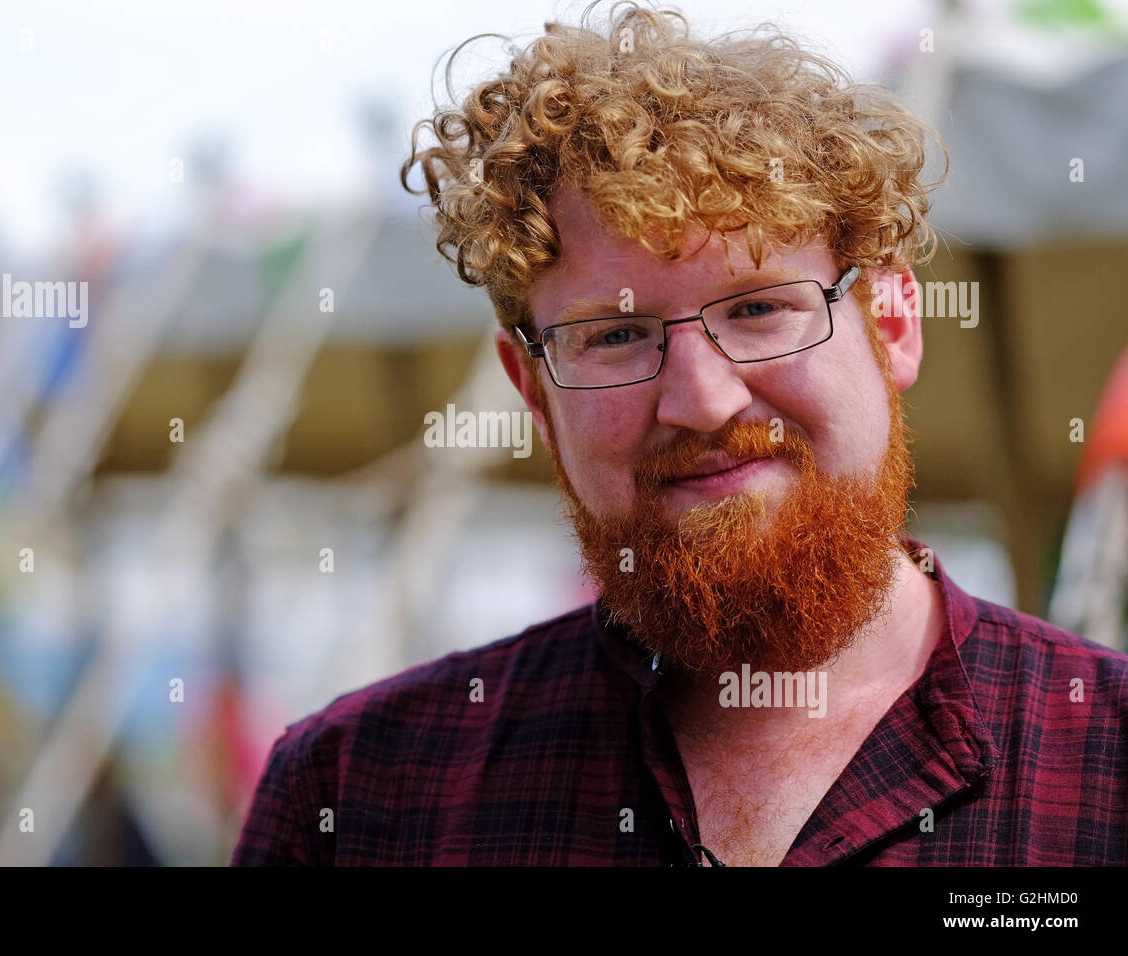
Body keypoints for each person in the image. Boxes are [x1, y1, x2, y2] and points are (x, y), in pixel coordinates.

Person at [232, 2, 1128, 866]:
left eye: (760, 308)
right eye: (616, 335)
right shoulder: (356, 803)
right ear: (534, 395)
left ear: (892, 325)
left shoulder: (1106, 771)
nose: (702, 400)